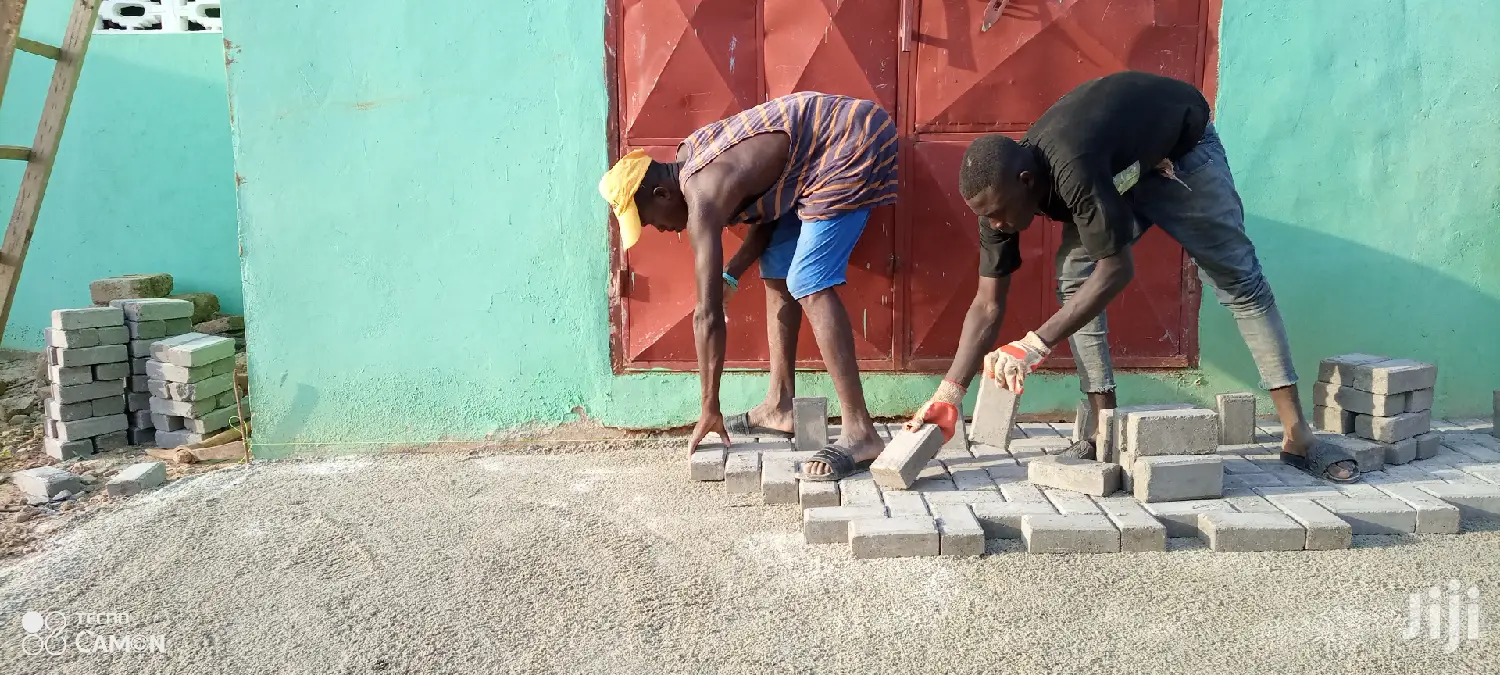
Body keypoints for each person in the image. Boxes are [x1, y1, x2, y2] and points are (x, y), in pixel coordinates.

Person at [905, 71, 1357, 482]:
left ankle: (1298, 437)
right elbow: (987, 304)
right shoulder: (995, 200)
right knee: (1074, 280)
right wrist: (949, 392)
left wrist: (1033, 344)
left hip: (1182, 154)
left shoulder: (1070, 168)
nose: (996, 225)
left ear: (1027, 181)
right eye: (988, 219)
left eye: (1000, 215)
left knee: (1240, 282)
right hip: (1118, 171)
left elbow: (1117, 270)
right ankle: (1106, 432)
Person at [598, 92, 898, 481]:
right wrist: (731, 274)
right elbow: (767, 212)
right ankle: (780, 404)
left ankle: (861, 432)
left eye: (651, 219)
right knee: (778, 271)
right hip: (807, 165)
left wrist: (709, 407)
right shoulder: (693, 154)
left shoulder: (702, 197)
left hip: (849, 139)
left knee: (808, 280)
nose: (660, 229)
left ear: (662, 193)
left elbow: (707, 316)